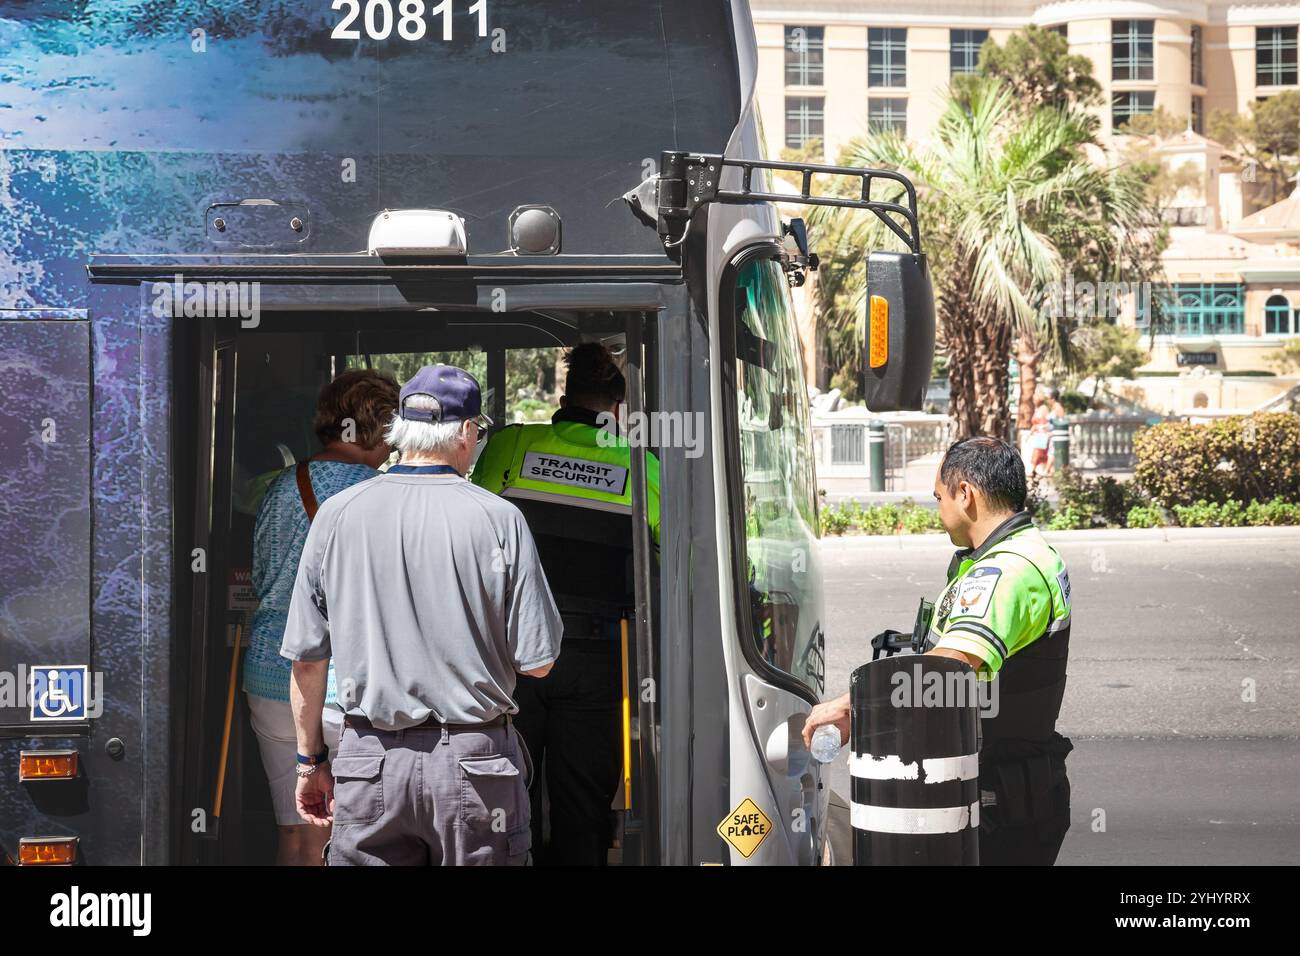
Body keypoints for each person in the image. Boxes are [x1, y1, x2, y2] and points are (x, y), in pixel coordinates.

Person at [282, 364, 564, 866]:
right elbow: (537, 661)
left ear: (400, 432)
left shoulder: (337, 515)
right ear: (467, 433)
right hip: (476, 766)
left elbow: (306, 660)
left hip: (368, 765)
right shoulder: (500, 519)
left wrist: (310, 762)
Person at [804, 436, 1073, 866]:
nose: (938, 510)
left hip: (1000, 805)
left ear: (965, 493)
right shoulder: (1017, 552)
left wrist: (851, 706)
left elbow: (950, 666)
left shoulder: (1008, 570)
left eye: (939, 497)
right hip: (1008, 790)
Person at [471, 341, 659, 865]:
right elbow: (676, 554)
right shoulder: (639, 463)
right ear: (617, 406)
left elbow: (478, 527)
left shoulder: (511, 445)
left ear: (565, 393)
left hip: (512, 652)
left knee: (511, 792)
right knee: (583, 802)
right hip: (599, 654)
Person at [242, 368, 398, 866]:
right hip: (347, 689)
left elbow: (265, 579)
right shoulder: (381, 495)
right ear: (381, 428)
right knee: (355, 839)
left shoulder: (279, 488)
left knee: (297, 829)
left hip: (269, 679)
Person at [1027, 390, 1052, 478]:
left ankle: (1033, 470)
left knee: (1038, 451)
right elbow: (1035, 424)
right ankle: (1043, 470)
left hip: (1042, 434)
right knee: (1039, 451)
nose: (1033, 401)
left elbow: (1048, 422)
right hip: (1038, 434)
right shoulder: (1037, 409)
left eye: (1035, 399)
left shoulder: (1044, 408)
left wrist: (1040, 427)